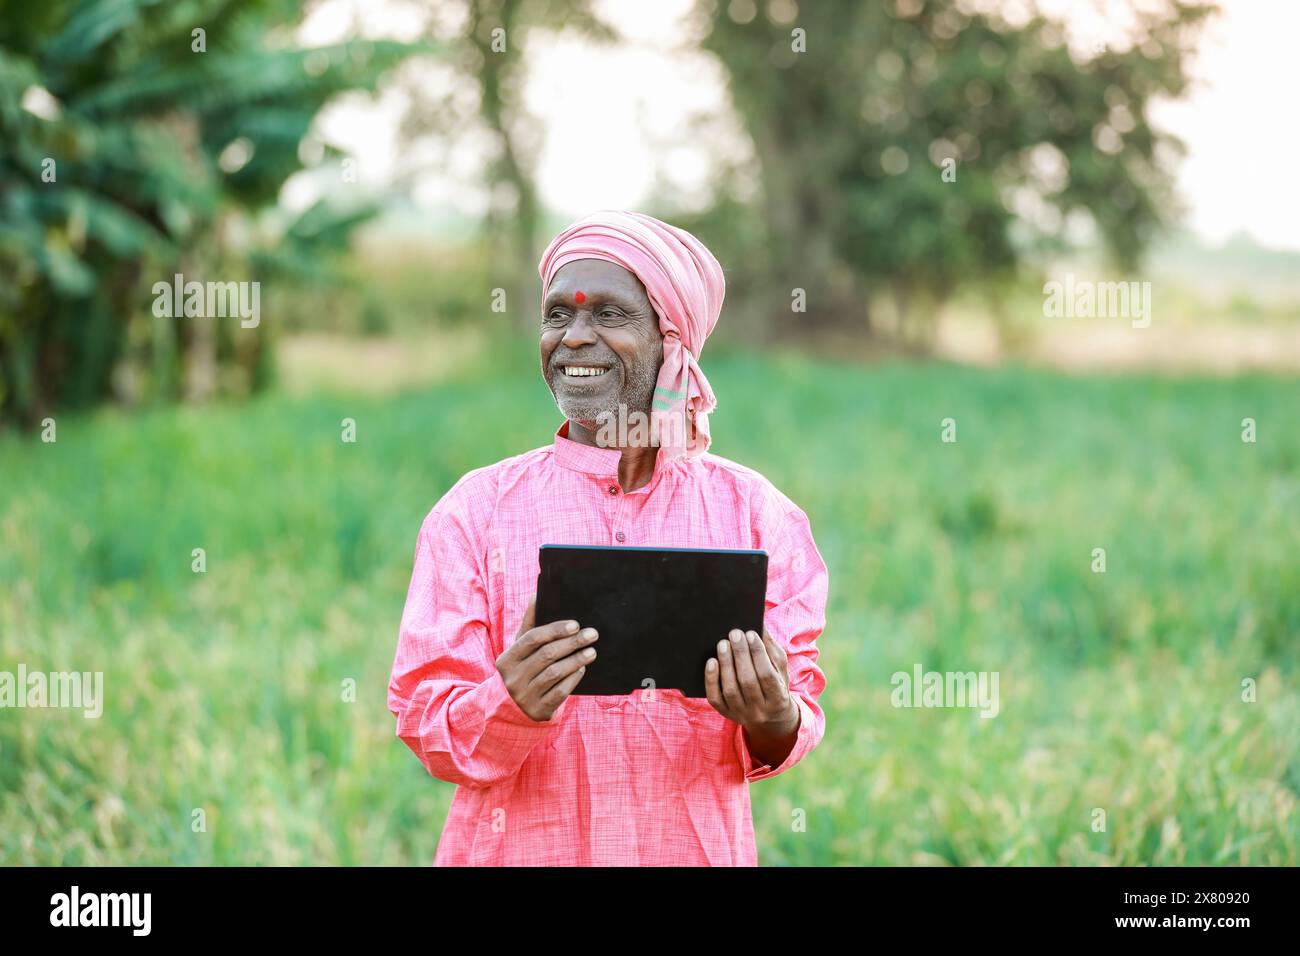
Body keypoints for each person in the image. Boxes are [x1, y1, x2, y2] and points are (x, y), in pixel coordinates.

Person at [387, 210, 829, 865]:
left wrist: (769, 713)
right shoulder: (474, 513)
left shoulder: (759, 516)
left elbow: (794, 718)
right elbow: (425, 720)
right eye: (557, 315)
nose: (573, 338)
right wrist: (507, 702)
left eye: (610, 316)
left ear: (671, 338)